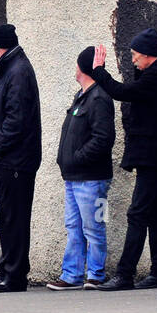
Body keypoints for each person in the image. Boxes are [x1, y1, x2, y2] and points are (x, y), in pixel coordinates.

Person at [92, 28, 157, 291]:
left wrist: (99, 70)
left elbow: (123, 92)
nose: (132, 60)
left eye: (134, 55)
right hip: (153, 153)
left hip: (152, 154)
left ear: (147, 55)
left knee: (138, 212)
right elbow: (138, 91)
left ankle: (125, 274)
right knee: (154, 214)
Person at [0, 23, 41, 294]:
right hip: (9, 160)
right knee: (7, 217)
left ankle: (13, 276)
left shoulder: (16, 71)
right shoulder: (11, 68)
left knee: (13, 218)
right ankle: (8, 271)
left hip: (14, 161)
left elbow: (16, 119)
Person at [47, 47, 116, 290]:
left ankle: (96, 274)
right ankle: (72, 275)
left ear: (83, 68)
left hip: (93, 179)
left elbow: (103, 139)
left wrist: (76, 158)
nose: (74, 68)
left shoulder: (99, 98)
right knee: (74, 228)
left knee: (94, 227)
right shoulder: (82, 95)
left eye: (77, 63)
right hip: (74, 178)